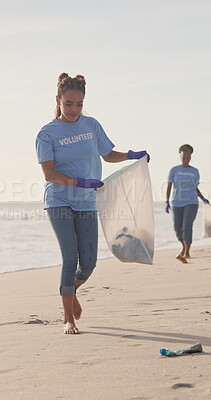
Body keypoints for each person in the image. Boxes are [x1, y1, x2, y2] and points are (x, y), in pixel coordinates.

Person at [36, 72, 150, 334]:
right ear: (58, 100)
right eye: (68, 104)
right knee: (69, 258)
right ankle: (68, 319)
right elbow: (49, 174)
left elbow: (107, 154)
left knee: (88, 262)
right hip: (59, 200)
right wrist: (81, 182)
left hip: (87, 202)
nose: (74, 110)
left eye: (78, 104)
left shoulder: (91, 125)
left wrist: (131, 155)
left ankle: (70, 290)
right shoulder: (47, 133)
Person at [165, 144, 209, 263]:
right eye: (184, 157)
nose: (186, 159)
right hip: (176, 202)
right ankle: (184, 246)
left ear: (190, 157)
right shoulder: (174, 170)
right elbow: (169, 186)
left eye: (188, 157)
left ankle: (186, 252)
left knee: (187, 227)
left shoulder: (195, 171)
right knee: (177, 229)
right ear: (180, 156)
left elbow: (195, 187)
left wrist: (203, 198)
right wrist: (167, 201)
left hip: (191, 202)